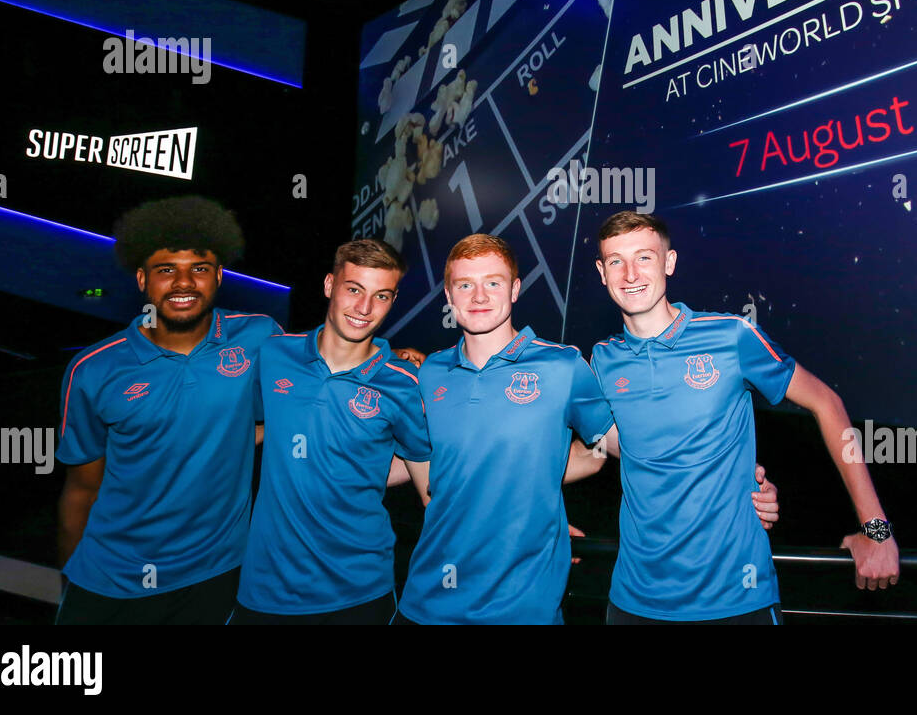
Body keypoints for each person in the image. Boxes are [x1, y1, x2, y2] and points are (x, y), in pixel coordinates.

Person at [394, 234, 780, 624]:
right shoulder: (429, 373)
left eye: (492, 283)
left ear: (514, 289)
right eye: (465, 285)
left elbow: (615, 448)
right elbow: (427, 465)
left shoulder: (563, 367)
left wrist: (736, 473)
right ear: (448, 294)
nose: (479, 297)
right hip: (424, 601)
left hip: (522, 608)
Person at [588, 211, 900, 624]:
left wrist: (875, 529)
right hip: (634, 601)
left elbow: (826, 403)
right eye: (616, 261)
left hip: (737, 599)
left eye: (644, 257)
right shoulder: (602, 360)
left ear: (669, 262)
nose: (630, 274)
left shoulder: (730, 336)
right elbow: (622, 450)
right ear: (602, 271)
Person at [55, 196, 281, 624]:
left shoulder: (259, 336)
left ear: (219, 275)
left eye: (199, 268)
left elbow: (318, 381)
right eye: (165, 270)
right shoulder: (93, 370)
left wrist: (394, 357)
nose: (183, 283)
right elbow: (82, 490)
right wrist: (70, 582)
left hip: (218, 576)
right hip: (111, 580)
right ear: (142, 280)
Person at [231, 238, 431, 623]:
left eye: (382, 296)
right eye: (354, 289)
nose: (364, 308)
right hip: (264, 588)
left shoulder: (404, 383)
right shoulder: (274, 355)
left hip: (359, 593)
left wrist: (526, 529)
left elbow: (433, 493)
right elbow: (247, 430)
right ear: (329, 286)